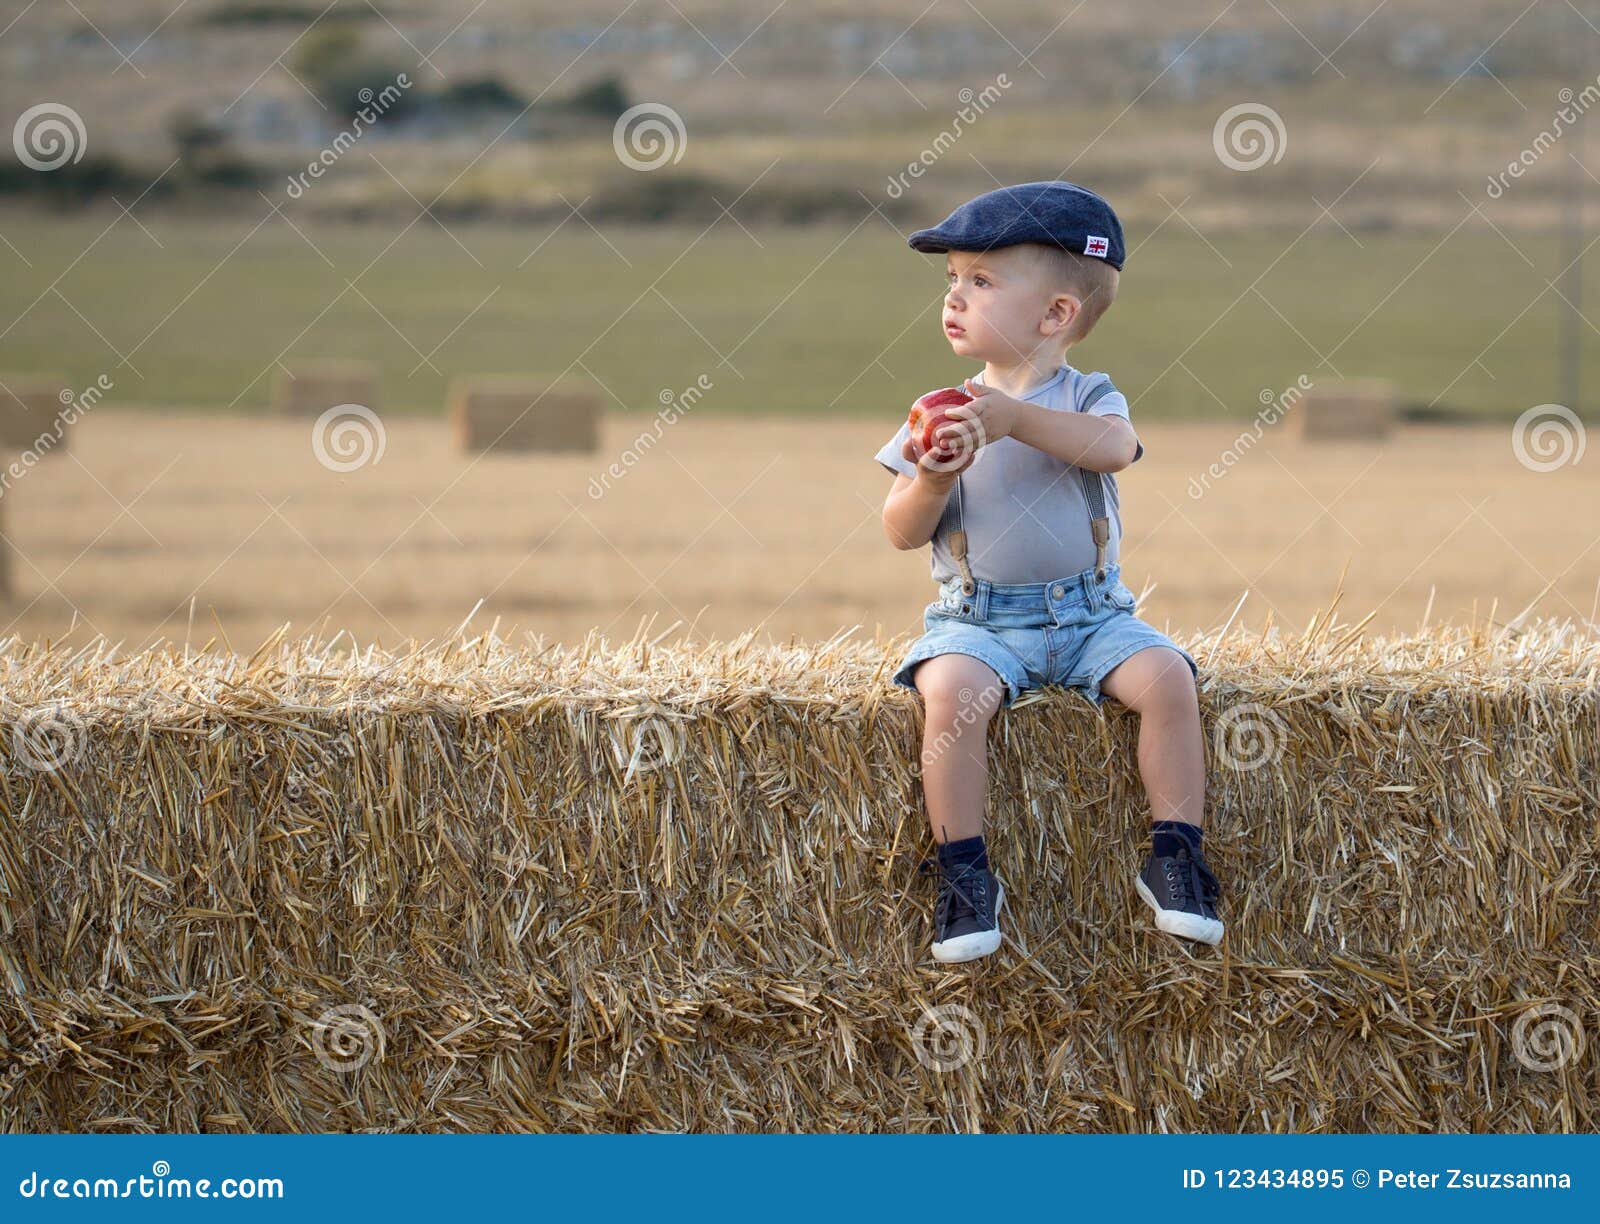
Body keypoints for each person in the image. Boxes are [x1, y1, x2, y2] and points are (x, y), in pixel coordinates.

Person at [874, 180, 1223, 963]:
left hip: (1091, 616)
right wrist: (931, 478)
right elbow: (900, 530)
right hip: (980, 621)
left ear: (1057, 314)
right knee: (951, 693)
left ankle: (1176, 854)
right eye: (952, 280)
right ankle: (963, 872)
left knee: (1168, 677)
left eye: (982, 281)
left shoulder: (1088, 397)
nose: (955, 296)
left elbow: (1114, 450)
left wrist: (1015, 421)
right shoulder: (940, 409)